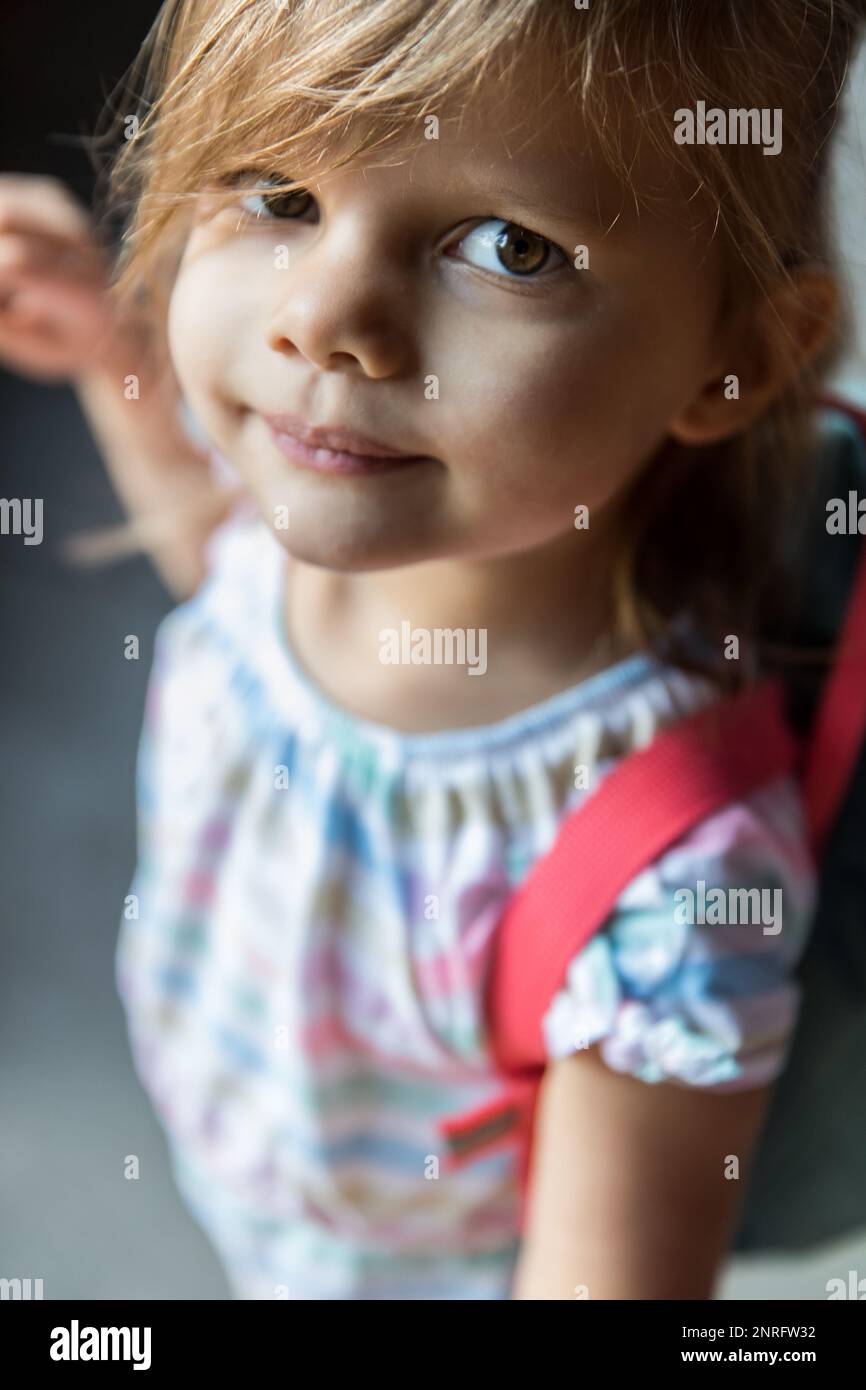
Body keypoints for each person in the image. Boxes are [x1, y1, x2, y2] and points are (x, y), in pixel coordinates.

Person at [1, 0, 863, 1300]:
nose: (325, 318)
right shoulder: (329, 519)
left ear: (736, 362)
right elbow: (225, 577)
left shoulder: (667, 883)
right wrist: (111, 354)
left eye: (509, 246)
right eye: (275, 192)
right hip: (268, 1195)